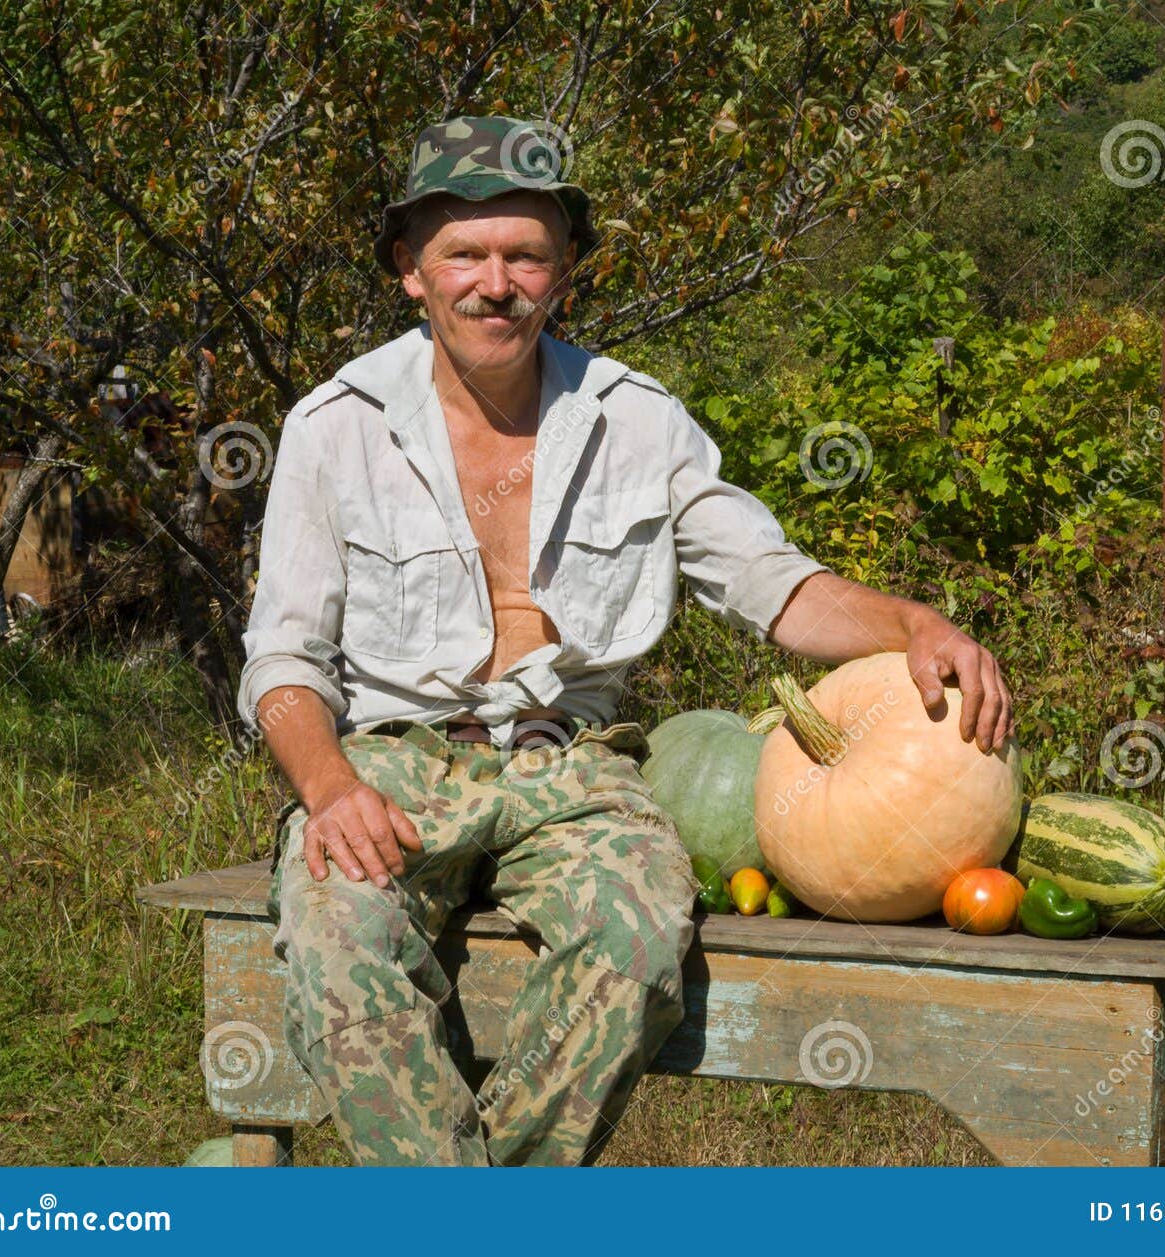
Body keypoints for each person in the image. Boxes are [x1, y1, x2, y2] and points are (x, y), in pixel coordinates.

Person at [238, 114, 1015, 1167]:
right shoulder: (334, 427)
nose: (494, 282)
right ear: (409, 271)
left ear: (565, 273)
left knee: (637, 937)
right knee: (338, 943)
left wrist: (912, 622)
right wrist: (329, 790)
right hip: (390, 764)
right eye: (463, 253)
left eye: (525, 254)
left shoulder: (635, 420)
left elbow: (769, 584)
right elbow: (283, 660)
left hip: (574, 769)